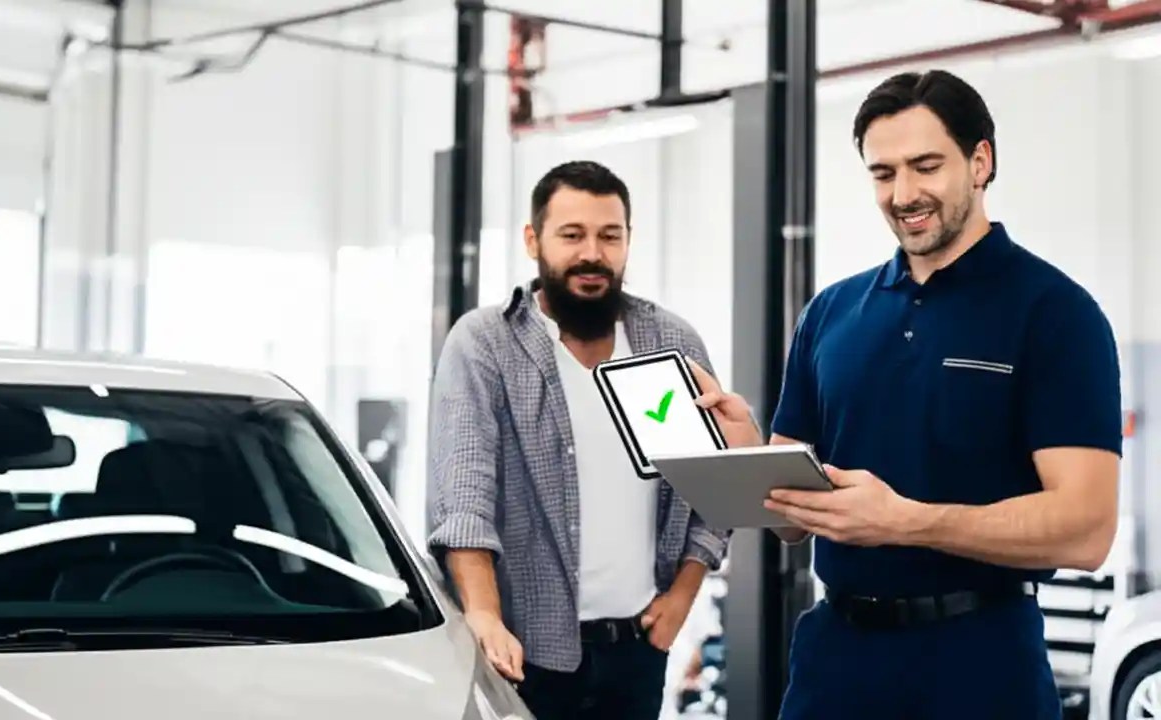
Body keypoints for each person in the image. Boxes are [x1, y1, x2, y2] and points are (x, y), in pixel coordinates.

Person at [691, 69, 1122, 718]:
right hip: (833, 664)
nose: (904, 193)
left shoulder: (1055, 314)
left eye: (926, 166)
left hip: (980, 665)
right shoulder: (831, 314)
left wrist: (907, 522)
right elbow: (791, 524)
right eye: (882, 172)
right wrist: (751, 456)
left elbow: (1086, 531)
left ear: (981, 163)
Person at [425, 160, 760, 720]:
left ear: (629, 240)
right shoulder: (486, 343)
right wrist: (482, 615)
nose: (592, 254)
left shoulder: (670, 341)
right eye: (572, 235)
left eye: (610, 236)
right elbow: (464, 493)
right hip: (519, 650)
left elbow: (710, 486)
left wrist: (683, 595)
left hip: (637, 650)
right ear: (534, 240)